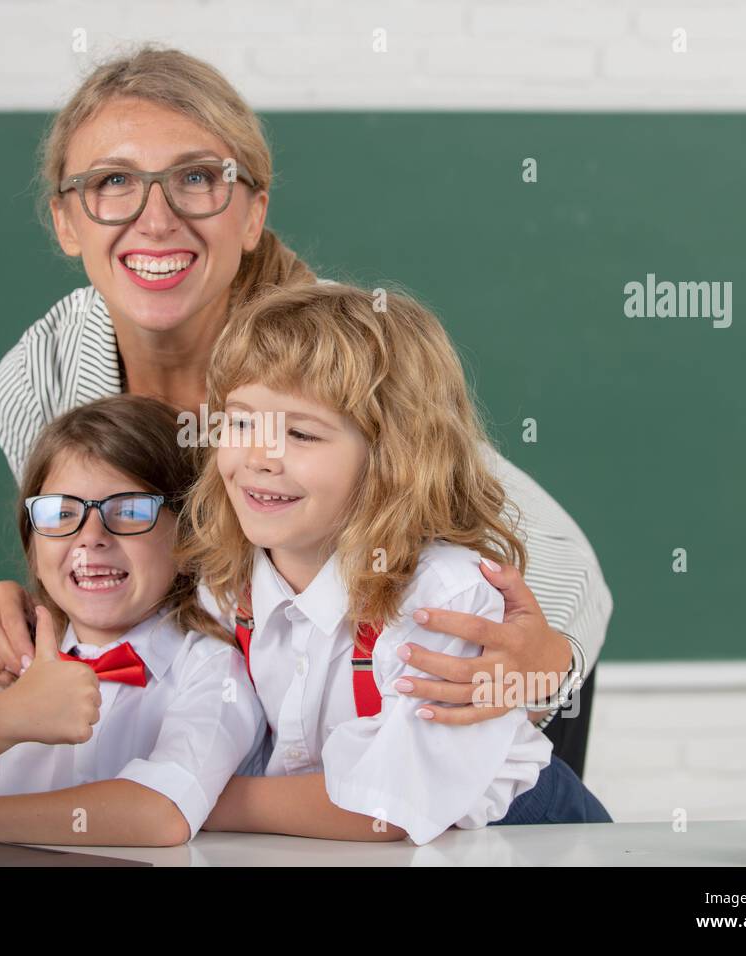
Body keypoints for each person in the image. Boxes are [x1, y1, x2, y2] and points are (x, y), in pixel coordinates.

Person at [0, 43, 612, 777]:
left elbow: (559, 565)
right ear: (68, 221)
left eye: (197, 179)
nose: (156, 218)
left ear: (252, 213)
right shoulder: (39, 375)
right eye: (113, 182)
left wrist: (543, 665)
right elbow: (115, 557)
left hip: (423, 712)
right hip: (247, 715)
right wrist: (33, 608)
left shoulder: (333, 352)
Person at [182, 281, 611, 840]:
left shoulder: (443, 598)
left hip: (525, 840)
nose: (260, 457)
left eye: (303, 433)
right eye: (240, 423)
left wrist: (188, 800)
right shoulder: (225, 587)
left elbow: (384, 811)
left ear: (394, 459)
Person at [0, 395, 264, 846]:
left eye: (129, 510)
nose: (91, 538)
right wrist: (5, 716)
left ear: (189, 535)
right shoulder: (16, 665)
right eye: (61, 512)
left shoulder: (212, 670)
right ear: (33, 542)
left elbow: (162, 812)